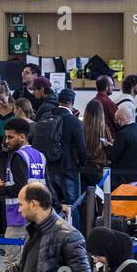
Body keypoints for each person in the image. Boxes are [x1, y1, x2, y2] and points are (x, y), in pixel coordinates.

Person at [0, 118, 45, 266]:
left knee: (12, 262)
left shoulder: (18, 157)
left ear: (22, 136)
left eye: (10, 137)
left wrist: (1, 188)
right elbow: (45, 184)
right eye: (6, 137)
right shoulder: (39, 156)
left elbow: (22, 188)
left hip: (18, 216)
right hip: (37, 216)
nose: (6, 141)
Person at [43, 89, 90, 218]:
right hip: (68, 168)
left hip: (48, 167)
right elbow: (82, 148)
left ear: (59, 100)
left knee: (52, 204)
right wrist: (82, 164)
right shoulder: (74, 121)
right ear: (71, 102)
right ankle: (74, 234)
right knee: (71, 205)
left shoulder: (47, 116)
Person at [106, 100, 137, 186]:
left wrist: (107, 146)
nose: (116, 123)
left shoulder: (123, 133)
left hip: (125, 178)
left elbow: (112, 156)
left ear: (121, 119)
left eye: (116, 120)